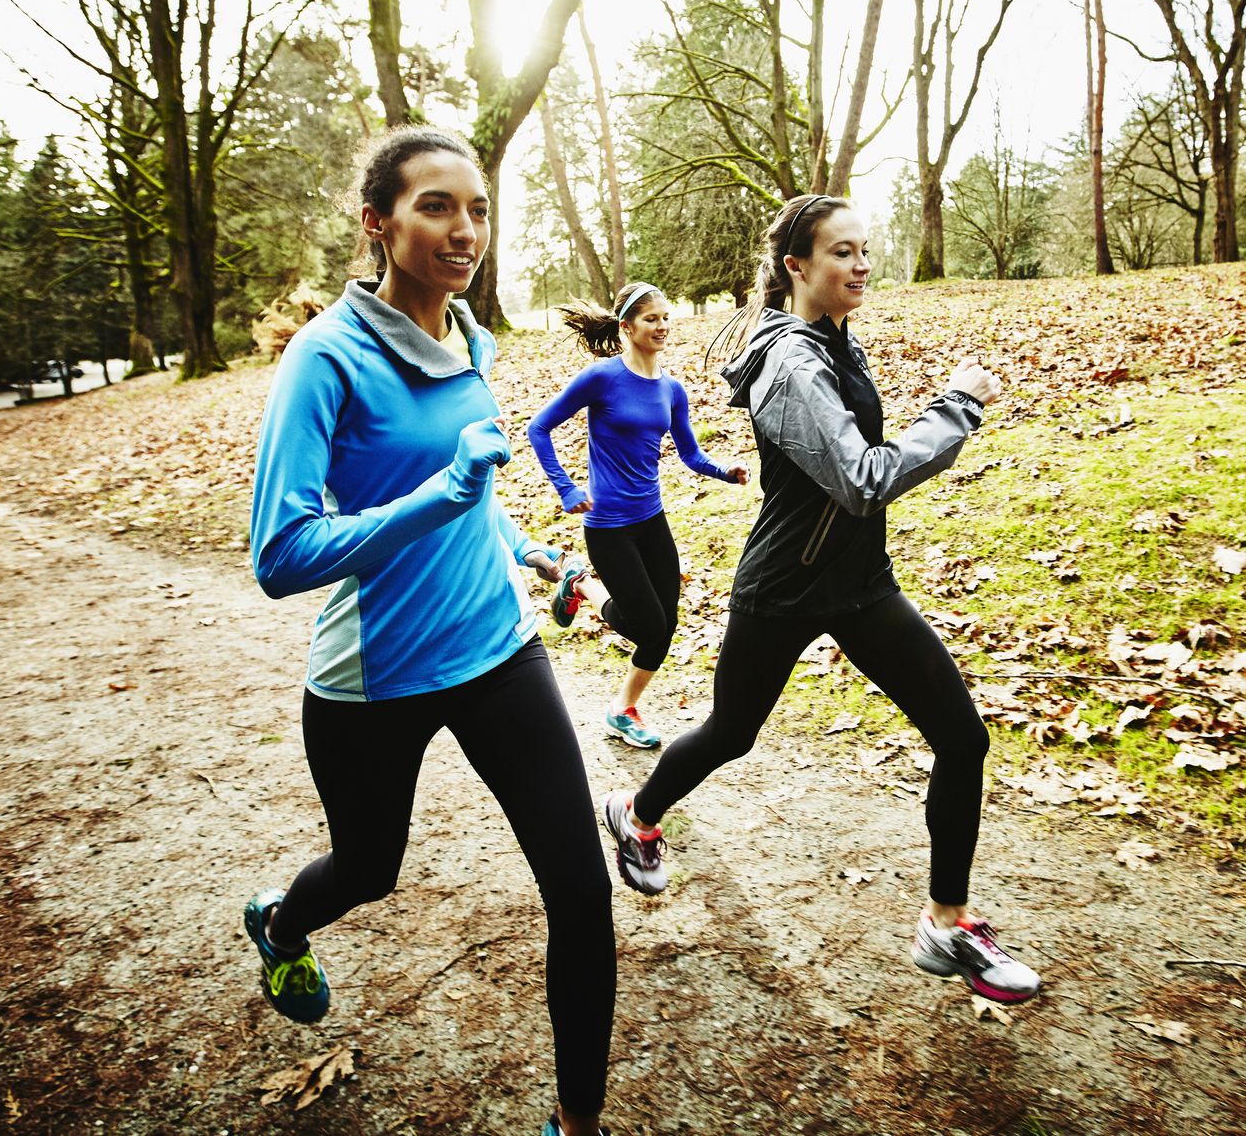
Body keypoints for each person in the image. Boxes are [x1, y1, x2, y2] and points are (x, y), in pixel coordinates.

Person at [244, 127, 614, 1136]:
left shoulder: (470, 340)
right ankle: (281, 923)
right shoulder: (327, 358)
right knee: (368, 867)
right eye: (437, 206)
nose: (465, 229)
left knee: (582, 894)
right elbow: (279, 553)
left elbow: (475, 491)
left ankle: (577, 1124)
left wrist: (535, 552)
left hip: (497, 651)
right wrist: (436, 496)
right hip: (374, 678)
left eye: (479, 207)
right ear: (379, 223)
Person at [597, 194, 1041, 1006]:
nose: (861, 265)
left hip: (859, 584)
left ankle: (947, 922)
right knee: (731, 732)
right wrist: (957, 408)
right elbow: (863, 477)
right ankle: (636, 808)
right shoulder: (793, 364)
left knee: (961, 737)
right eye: (841, 252)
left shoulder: (836, 341)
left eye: (865, 250)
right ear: (796, 267)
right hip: (786, 588)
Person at [526, 283, 749, 749]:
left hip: (651, 520)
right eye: (651, 319)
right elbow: (539, 427)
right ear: (626, 327)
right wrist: (566, 487)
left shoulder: (671, 389)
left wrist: (724, 471)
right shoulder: (601, 378)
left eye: (666, 317)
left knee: (663, 627)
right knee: (648, 625)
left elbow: (689, 453)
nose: (663, 326)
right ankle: (578, 581)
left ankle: (622, 709)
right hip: (607, 526)